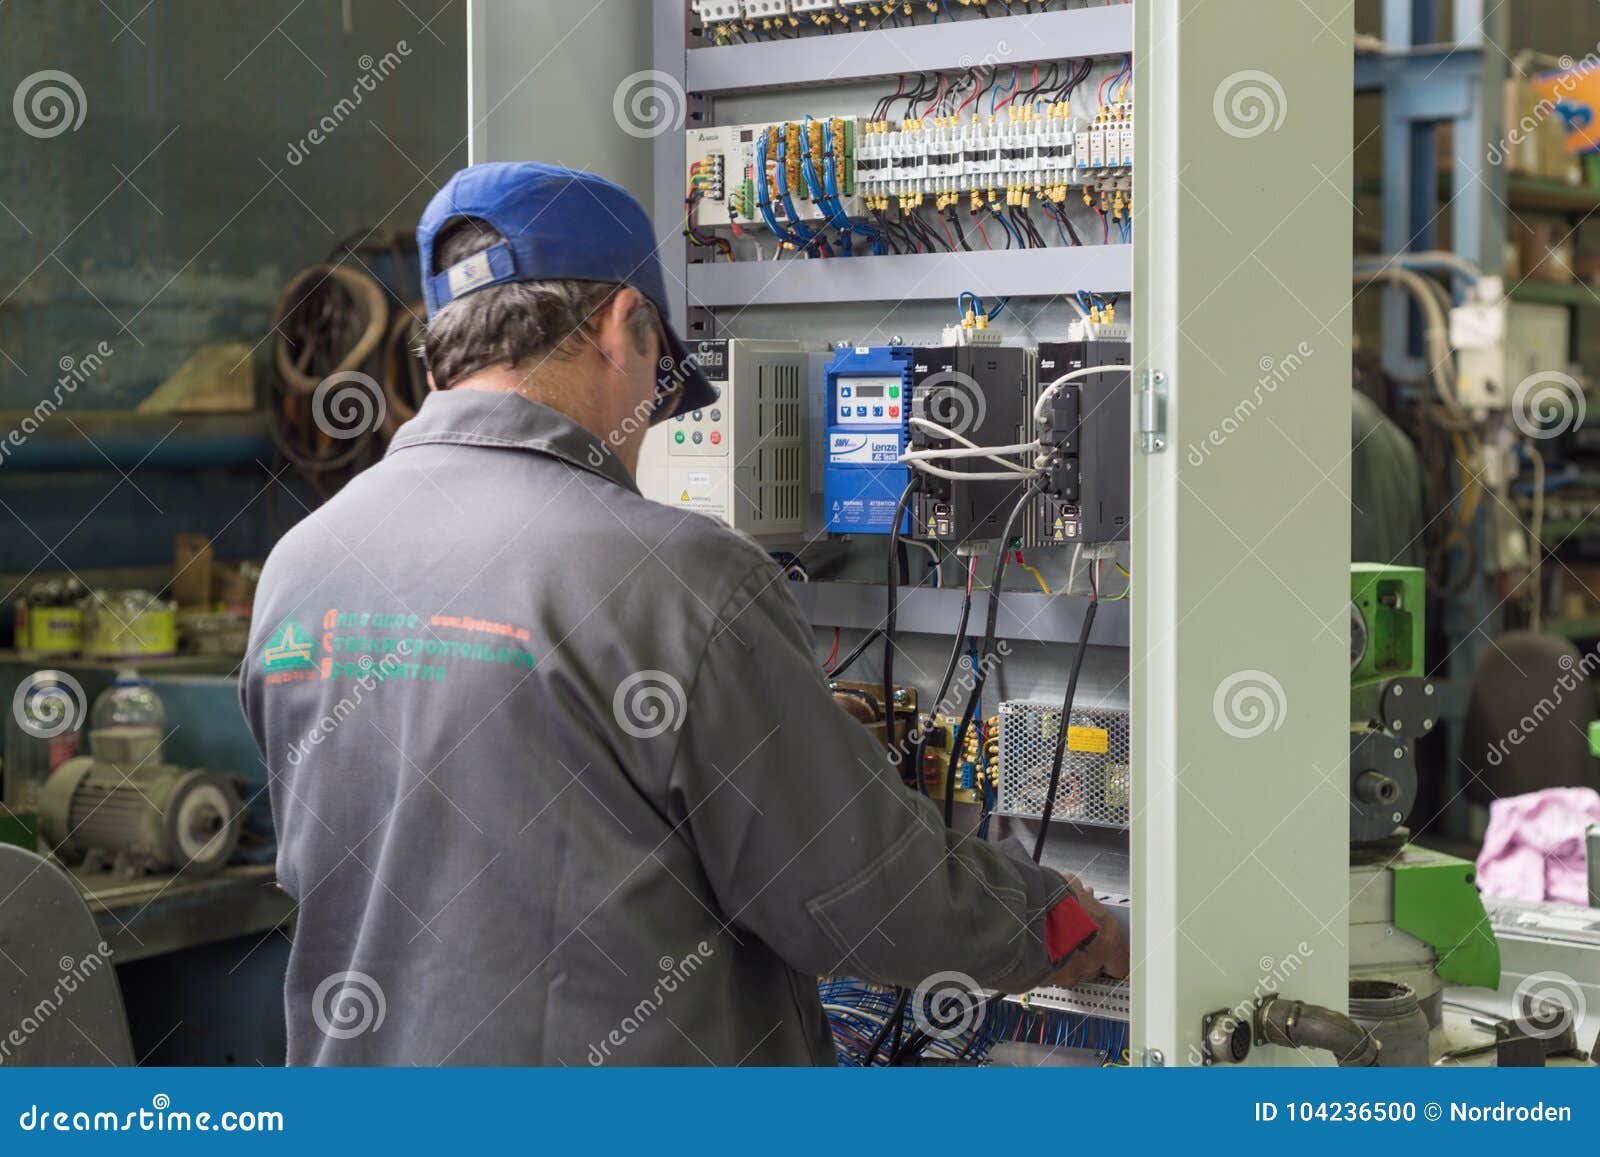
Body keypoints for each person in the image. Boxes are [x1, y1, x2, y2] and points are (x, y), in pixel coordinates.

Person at [241, 162, 1128, 1066]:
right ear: (623, 326)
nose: (653, 426)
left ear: (439, 354)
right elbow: (860, 897)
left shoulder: (303, 566)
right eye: (663, 393)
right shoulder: (679, 579)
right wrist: (1062, 923)